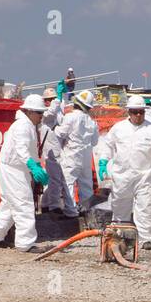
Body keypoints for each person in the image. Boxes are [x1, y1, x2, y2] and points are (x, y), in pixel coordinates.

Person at [97, 95, 151, 245]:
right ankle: (120, 236)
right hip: (122, 176)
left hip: (144, 175)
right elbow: (108, 146)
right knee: (120, 206)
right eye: (135, 112)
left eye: (141, 112)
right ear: (129, 112)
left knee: (145, 208)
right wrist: (103, 161)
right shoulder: (119, 128)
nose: (138, 115)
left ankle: (146, 240)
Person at [0, 94, 49, 252]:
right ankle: (25, 243)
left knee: (9, 204)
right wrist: (33, 166)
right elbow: (22, 149)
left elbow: (29, 150)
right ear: (29, 111)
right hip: (14, 170)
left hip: (14, 168)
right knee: (24, 204)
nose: (41, 116)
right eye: (39, 113)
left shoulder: (27, 125)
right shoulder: (23, 125)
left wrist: (36, 166)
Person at [54, 89, 99, 218]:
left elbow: (60, 133)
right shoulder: (92, 122)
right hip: (85, 157)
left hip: (71, 155)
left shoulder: (70, 117)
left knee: (68, 184)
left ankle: (71, 212)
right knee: (86, 185)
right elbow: (95, 142)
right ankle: (87, 212)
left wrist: (55, 127)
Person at [38, 86, 70, 215]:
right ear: (45, 101)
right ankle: (54, 206)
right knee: (55, 178)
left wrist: (61, 97)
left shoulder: (56, 112)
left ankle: (45, 204)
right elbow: (51, 112)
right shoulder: (45, 114)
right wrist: (58, 98)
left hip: (56, 149)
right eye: (50, 99)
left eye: (53, 99)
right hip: (51, 151)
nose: (52, 101)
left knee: (53, 179)